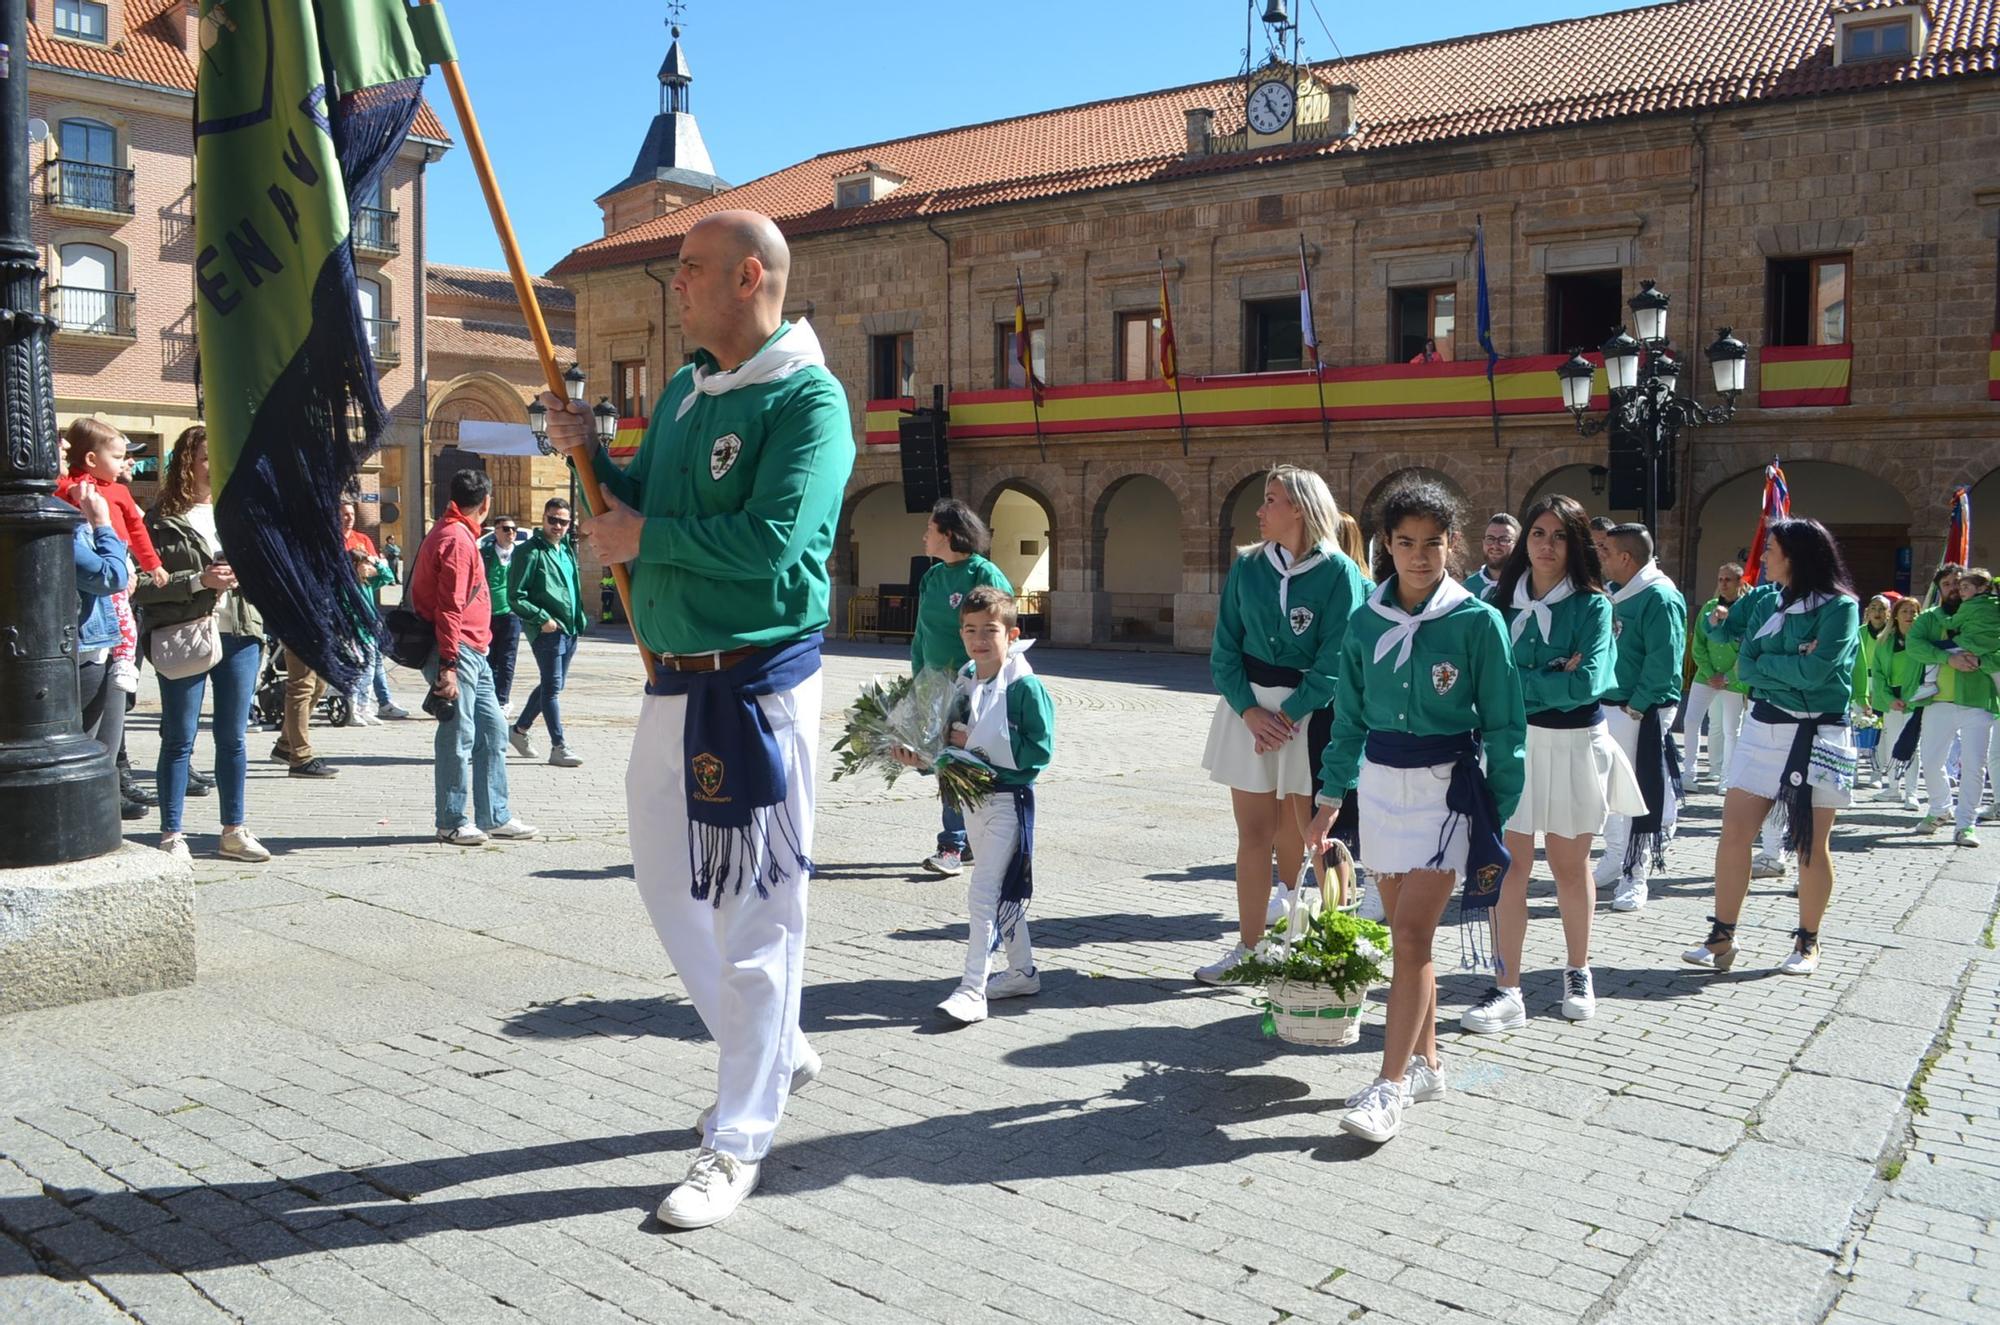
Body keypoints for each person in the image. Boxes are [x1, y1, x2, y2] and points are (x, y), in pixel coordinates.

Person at [537, 209, 854, 1230]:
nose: (673, 283)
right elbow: (640, 498)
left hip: (757, 685)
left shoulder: (807, 399)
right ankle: (776, 1046)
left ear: (749, 277)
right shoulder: (684, 391)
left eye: (689, 268)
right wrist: (589, 455)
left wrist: (648, 534)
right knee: (664, 876)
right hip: (673, 677)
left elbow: (775, 542)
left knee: (758, 911)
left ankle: (739, 1136)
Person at [1305, 478, 1525, 1144]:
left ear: (1452, 543)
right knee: (1406, 936)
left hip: (1445, 794)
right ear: (1386, 545)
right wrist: (1329, 799)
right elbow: (1347, 718)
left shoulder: (1477, 620)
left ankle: (1388, 1085)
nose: (1420, 556)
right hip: (1380, 788)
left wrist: (1496, 809)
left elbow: (1505, 724)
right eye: (1406, 543)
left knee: (1409, 938)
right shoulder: (1365, 620)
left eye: (1433, 542)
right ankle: (1428, 1064)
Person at [1460, 494, 1641, 1032]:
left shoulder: (1594, 606)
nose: (1547, 545)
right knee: (1510, 866)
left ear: (1576, 543)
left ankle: (1578, 971)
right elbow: (1482, 679)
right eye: (1538, 533)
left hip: (1575, 744)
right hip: (1513, 744)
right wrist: (1551, 673)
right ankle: (1507, 987)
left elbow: (1586, 685)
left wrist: (1520, 680)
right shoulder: (1496, 603)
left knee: (1569, 864)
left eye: (1559, 535)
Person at [1195, 465, 1367, 983]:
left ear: (1300, 508)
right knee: (1253, 835)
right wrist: (1251, 712)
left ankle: (1340, 955)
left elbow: (1338, 660)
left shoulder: (1339, 573)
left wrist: (1287, 716)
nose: (1260, 509)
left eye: (1270, 499)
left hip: (1310, 717)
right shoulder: (1248, 567)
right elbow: (1224, 649)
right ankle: (1249, 950)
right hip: (1249, 714)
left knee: (1321, 839)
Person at [1684, 517, 1861, 975]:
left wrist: (1769, 663)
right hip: (1763, 729)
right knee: (1733, 834)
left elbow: (1817, 673)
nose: (1762, 558)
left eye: (1771, 550)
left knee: (1810, 844)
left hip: (1820, 734)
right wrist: (1786, 659)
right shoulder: (1765, 600)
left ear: (1796, 556)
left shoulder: (1840, 607)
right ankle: (1722, 936)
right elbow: (1743, 663)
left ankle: (1807, 943)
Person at [900, 586, 1055, 1024]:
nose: (979, 639)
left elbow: (1039, 751)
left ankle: (972, 989)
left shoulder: (1024, 686)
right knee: (1001, 892)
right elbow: (948, 740)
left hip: (1008, 801)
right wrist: (919, 756)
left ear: (1012, 634)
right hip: (973, 802)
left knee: (983, 893)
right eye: (970, 630)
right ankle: (1022, 973)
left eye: (990, 630)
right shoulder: (968, 676)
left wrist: (976, 740)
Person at [131, 426, 272, 864]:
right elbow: (141, 586)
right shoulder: (160, 519)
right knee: (179, 737)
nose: (217, 465)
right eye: (208, 457)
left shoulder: (240, 512)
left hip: (240, 632)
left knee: (233, 738)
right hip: (183, 633)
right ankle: (172, 834)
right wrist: (199, 580)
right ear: (187, 463)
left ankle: (233, 830)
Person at [410, 468, 538, 847]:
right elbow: (450, 607)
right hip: (458, 650)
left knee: (494, 730)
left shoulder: (455, 533)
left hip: (474, 651)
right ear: (486, 502)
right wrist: (448, 665)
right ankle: (451, 820)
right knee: (458, 734)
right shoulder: (457, 540)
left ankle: (495, 815)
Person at [907, 498, 1013, 876]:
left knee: (954, 762)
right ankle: (964, 843)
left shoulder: (983, 573)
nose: (924, 536)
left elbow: (1003, 630)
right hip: (935, 686)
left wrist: (988, 681)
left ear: (949, 534)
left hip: (972, 688)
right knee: (945, 763)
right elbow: (922, 634)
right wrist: (919, 682)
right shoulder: (931, 577)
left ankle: (951, 846)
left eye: (930, 529)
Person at [1593, 524, 1686, 912]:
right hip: (1609, 708)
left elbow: (1664, 660)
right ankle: (1615, 856)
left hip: (1637, 712)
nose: (1601, 557)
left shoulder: (1659, 596)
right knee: (1608, 792)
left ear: (1626, 558)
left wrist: (1638, 705)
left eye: (1606, 551)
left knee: (1637, 793)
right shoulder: (1614, 592)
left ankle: (1636, 872)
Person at [1908, 565, 1996, 844]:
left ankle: (1965, 824)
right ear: (1939, 588)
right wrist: (1948, 658)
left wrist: (1982, 661)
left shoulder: (1989, 614)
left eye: (1959, 583)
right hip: (1938, 701)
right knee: (1931, 761)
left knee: (1974, 765)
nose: (1954, 589)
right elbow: (1914, 645)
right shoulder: (1930, 617)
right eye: (1947, 584)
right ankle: (1939, 808)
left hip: (1978, 700)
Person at [72, 482, 139, 820]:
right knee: (90, 750)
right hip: (85, 651)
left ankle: (100, 812)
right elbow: (111, 575)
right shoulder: (63, 525)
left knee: (102, 749)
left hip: (102, 647)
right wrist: (102, 523)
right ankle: (90, 819)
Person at [509, 498, 588, 768]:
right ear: (543, 518)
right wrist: (542, 619)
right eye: (552, 519)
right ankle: (559, 746)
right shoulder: (529, 552)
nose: (557, 526)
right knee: (552, 687)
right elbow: (515, 596)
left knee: (552, 685)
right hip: (547, 631)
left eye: (563, 521)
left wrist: (579, 618)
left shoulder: (566, 550)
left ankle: (519, 730)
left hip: (570, 629)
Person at [340, 498, 408, 721]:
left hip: (368, 612)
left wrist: (372, 566)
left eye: (351, 514)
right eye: (344, 514)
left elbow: (381, 572)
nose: (349, 518)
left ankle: (380, 703)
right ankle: (357, 706)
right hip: (347, 614)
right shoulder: (331, 541)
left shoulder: (363, 539)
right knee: (362, 662)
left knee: (374, 659)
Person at [1684, 563, 1749, 790]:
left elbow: (1747, 650)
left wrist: (1728, 676)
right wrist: (1711, 673)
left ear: (1740, 582)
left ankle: (1727, 779)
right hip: (1706, 675)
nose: (1723, 584)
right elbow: (1698, 643)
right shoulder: (1710, 607)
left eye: (1728, 580)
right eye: (1720, 579)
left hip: (1734, 680)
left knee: (1731, 730)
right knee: (1691, 720)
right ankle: (1689, 773)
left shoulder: (1746, 611)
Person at [1873, 595, 1926, 809]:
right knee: (1892, 744)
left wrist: (1913, 697)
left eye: (1914, 612)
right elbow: (1878, 673)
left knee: (1912, 746)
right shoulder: (1884, 641)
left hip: (1915, 699)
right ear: (1895, 615)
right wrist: (1889, 698)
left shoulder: (1923, 640)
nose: (1909, 615)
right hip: (1892, 700)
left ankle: (1911, 793)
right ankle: (1893, 788)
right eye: (1905, 611)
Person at [479, 515, 525, 712]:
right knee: (488, 658)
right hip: (487, 614)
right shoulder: (484, 554)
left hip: (511, 613)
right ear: (495, 531)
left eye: (514, 529)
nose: (511, 532)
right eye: (506, 529)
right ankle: (487, 699)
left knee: (507, 658)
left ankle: (502, 700)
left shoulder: (522, 554)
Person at [1849, 593, 1892, 787]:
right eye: (1873, 608)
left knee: (1880, 731)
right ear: (1867, 612)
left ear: (1888, 613)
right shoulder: (1859, 632)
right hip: (1861, 681)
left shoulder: (1891, 635)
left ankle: (1877, 773)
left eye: (1882, 609)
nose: (1877, 612)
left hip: (1883, 683)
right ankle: (1853, 771)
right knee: (1857, 728)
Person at [1461, 513, 1519, 600]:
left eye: (1504, 540)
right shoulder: (1467, 589)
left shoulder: (1529, 584)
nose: (1495, 546)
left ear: (1518, 545)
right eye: (1490, 539)